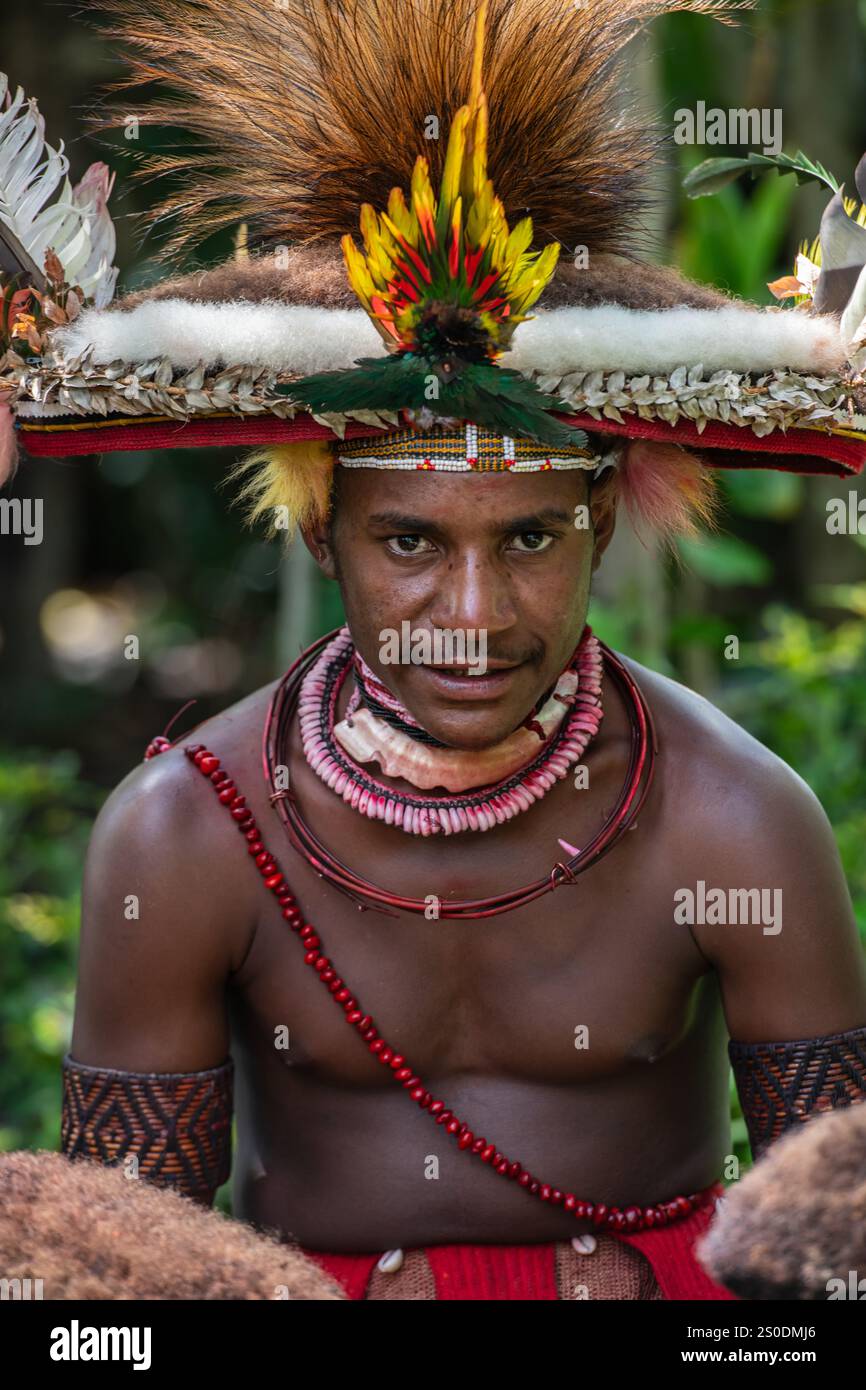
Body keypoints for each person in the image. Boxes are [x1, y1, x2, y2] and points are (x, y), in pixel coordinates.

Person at [4, 0, 866, 1300]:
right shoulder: (181, 837)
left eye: (527, 539)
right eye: (409, 543)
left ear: (597, 531)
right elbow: (112, 1307)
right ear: (320, 543)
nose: (473, 610)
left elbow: (838, 1261)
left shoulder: (735, 821)